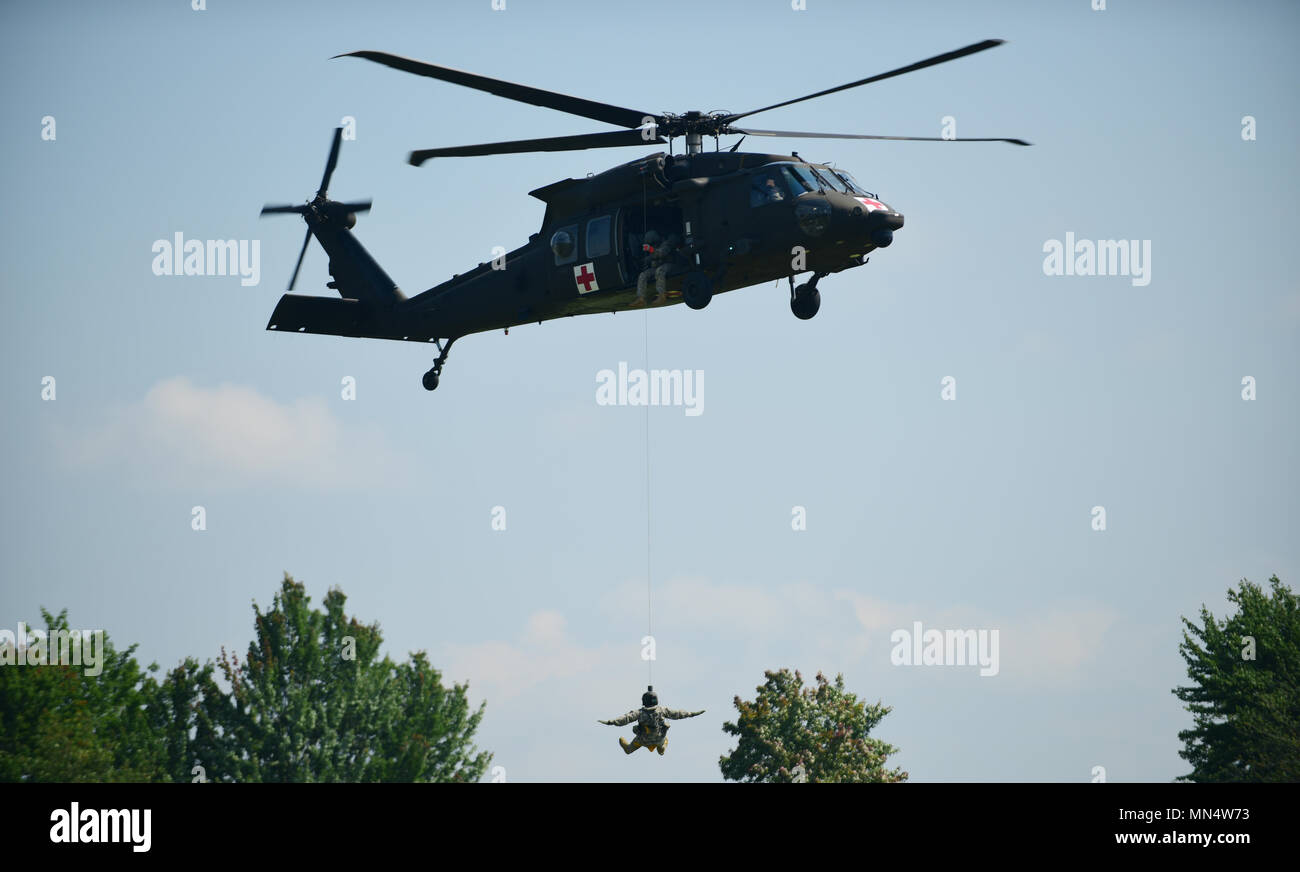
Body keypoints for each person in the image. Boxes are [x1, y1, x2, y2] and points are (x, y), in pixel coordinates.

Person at [598, 686, 704, 755]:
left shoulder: (639, 713)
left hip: (642, 739)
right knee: (662, 746)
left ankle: (659, 747)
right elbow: (678, 714)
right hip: (658, 738)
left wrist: (611, 722)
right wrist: (691, 714)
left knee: (629, 749)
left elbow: (626, 718)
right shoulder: (662, 710)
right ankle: (662, 747)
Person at [631, 231, 679, 308]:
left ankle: (662, 295)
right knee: (643, 275)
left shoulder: (665, 244)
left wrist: (650, 249)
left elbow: (660, 253)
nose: (652, 245)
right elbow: (652, 257)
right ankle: (641, 299)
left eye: (652, 243)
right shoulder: (654, 247)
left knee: (659, 271)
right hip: (657, 267)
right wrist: (644, 260)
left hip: (669, 265)